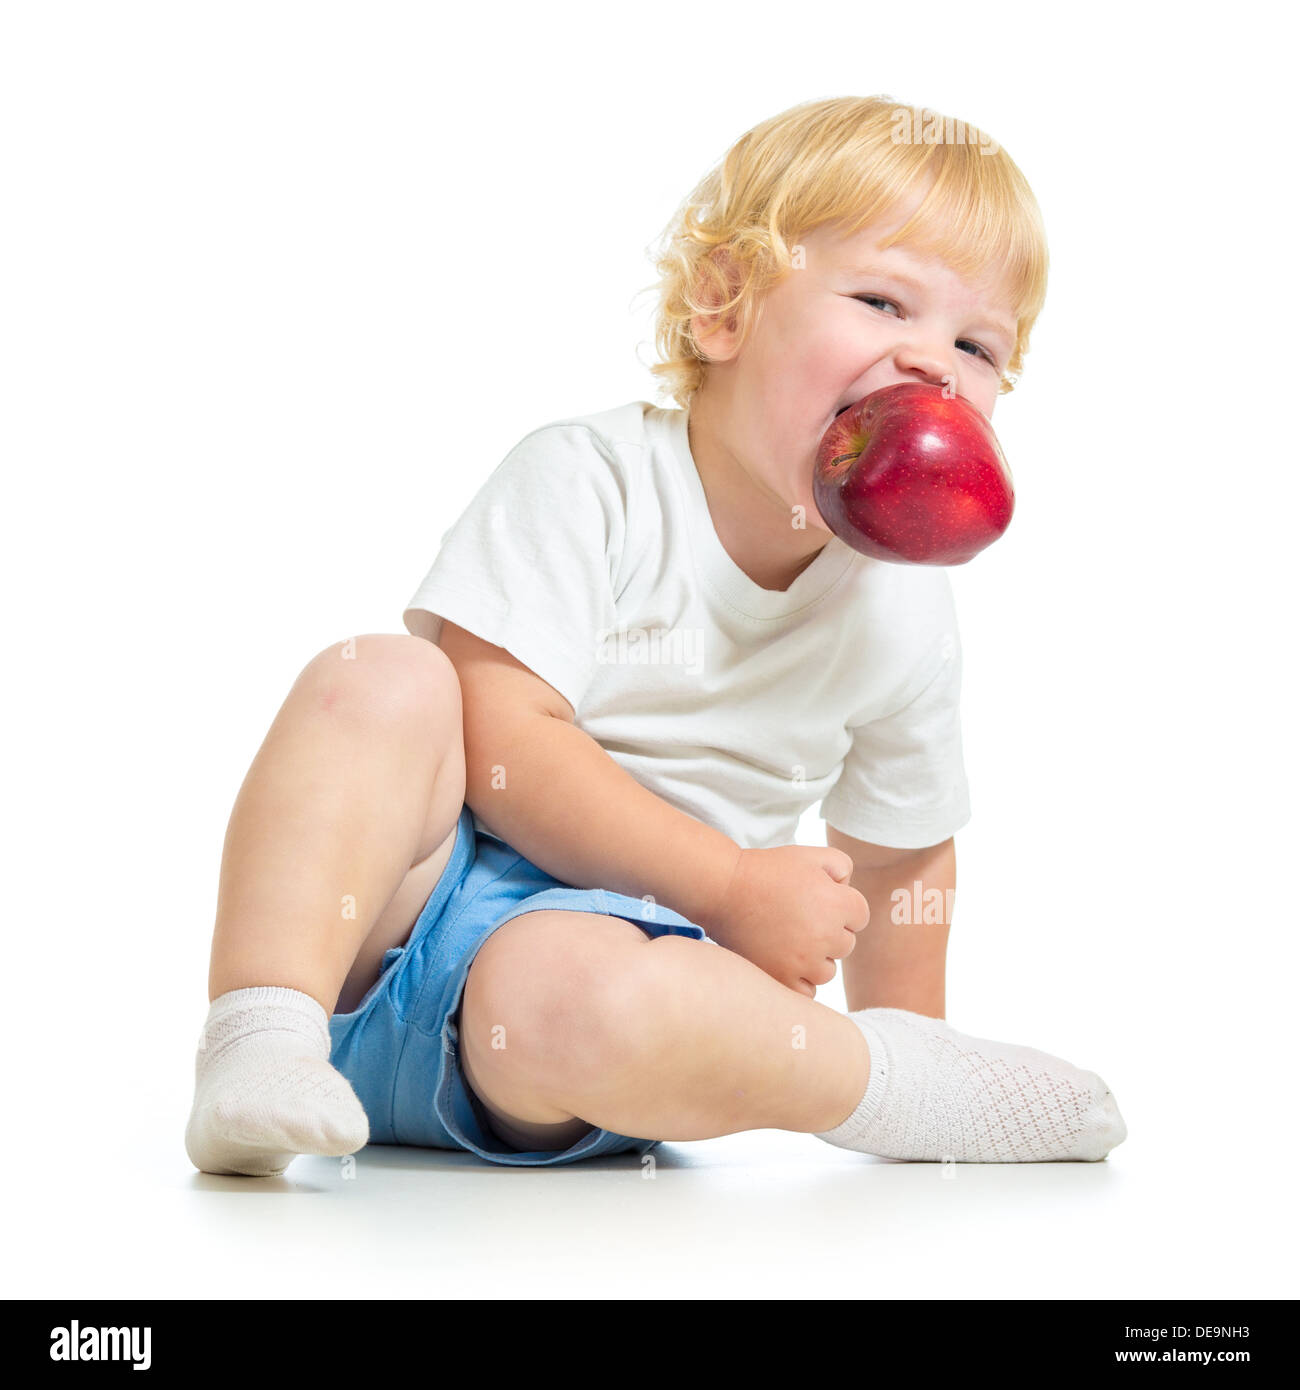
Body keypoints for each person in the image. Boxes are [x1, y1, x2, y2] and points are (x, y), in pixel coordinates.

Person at [185, 95, 1127, 1175]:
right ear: (723, 307)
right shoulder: (589, 483)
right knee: (383, 679)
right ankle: (258, 1040)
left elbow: (899, 847)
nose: (931, 366)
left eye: (975, 344)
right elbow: (498, 735)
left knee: (601, 997)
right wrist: (728, 882)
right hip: (388, 928)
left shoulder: (901, 610)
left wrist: (916, 1030)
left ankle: (892, 1082)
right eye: (879, 300)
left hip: (592, 1007)